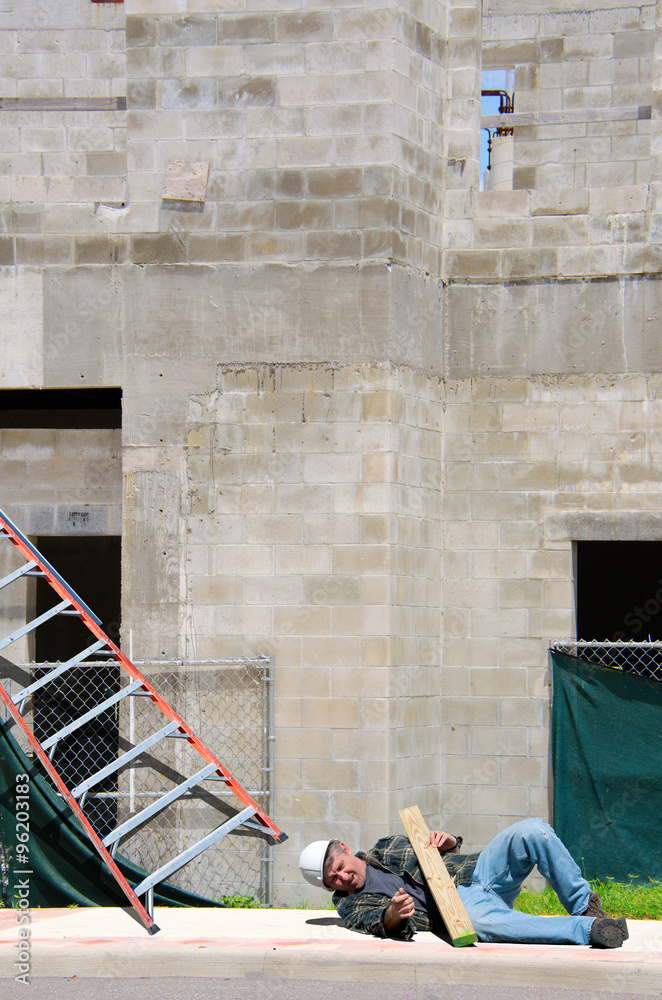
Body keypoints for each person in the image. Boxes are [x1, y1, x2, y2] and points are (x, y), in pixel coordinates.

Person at [299, 818, 628, 948]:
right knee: (481, 923)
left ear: (343, 848)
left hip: (479, 870)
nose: (342, 878)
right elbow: (377, 923)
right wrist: (394, 914)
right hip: (457, 910)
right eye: (334, 881)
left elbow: (435, 849)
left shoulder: (385, 847)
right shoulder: (350, 905)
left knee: (531, 830)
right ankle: (590, 932)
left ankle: (585, 908)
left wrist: (447, 843)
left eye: (340, 868)